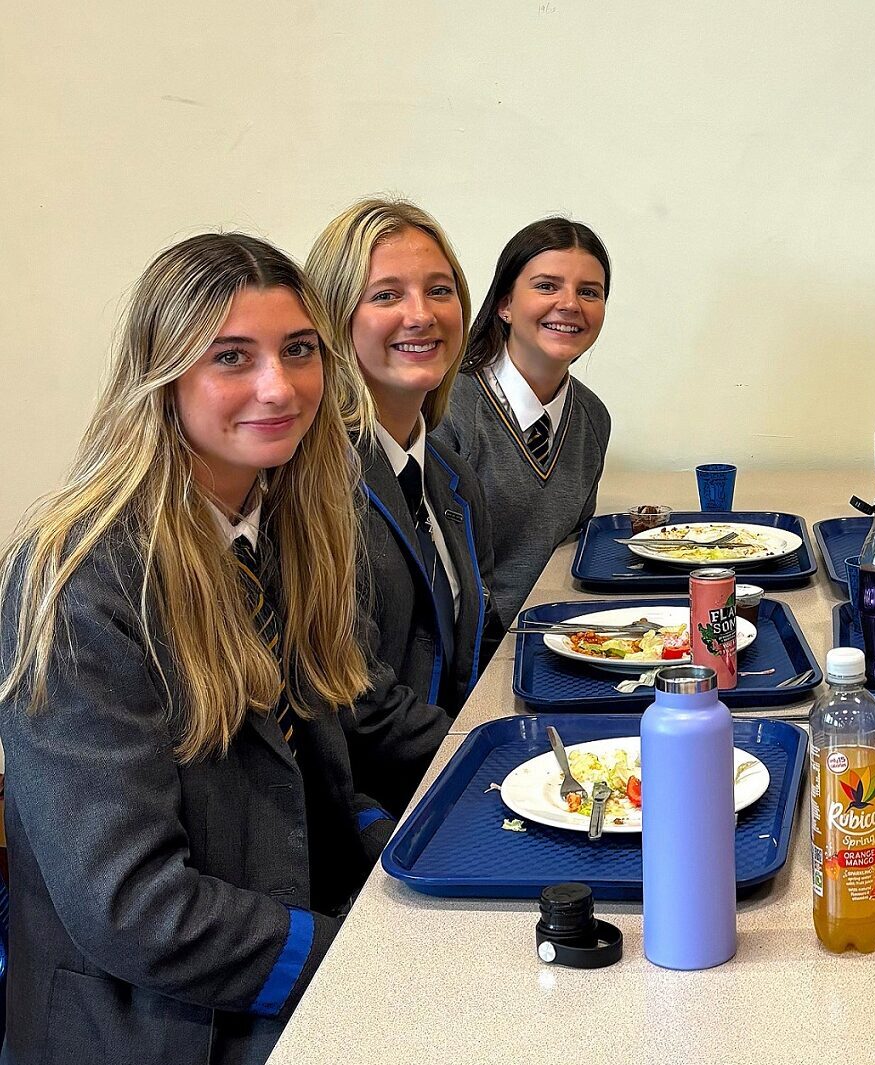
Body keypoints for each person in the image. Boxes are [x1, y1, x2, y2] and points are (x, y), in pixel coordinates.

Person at [0, 234, 392, 1063]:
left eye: (298, 350)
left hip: (269, 961)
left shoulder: (280, 528)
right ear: (162, 378)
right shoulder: (79, 576)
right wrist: (358, 963)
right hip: (157, 1028)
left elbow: (317, 788)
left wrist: (410, 868)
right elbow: (133, 906)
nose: (278, 386)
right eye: (231, 357)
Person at [307, 198, 502, 814]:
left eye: (439, 290)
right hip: (372, 812)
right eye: (386, 295)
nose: (421, 315)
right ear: (335, 320)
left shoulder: (449, 474)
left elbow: (481, 634)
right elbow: (355, 701)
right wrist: (491, 756)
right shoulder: (315, 484)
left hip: (449, 777)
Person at [437, 218, 611, 625]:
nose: (570, 304)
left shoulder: (593, 418)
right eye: (547, 286)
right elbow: (440, 577)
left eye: (589, 292)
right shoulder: (448, 408)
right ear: (505, 305)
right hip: (478, 648)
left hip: (558, 631)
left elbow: (571, 550)